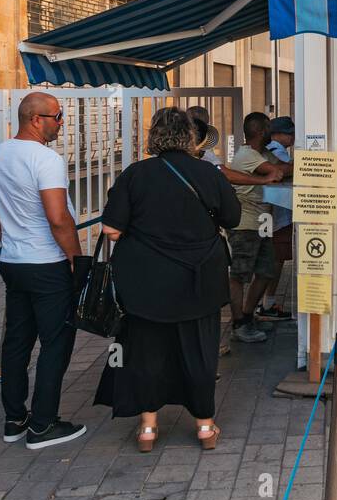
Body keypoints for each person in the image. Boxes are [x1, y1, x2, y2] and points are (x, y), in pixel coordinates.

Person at [93, 107, 241, 452]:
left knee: (147, 353)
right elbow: (231, 218)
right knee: (201, 352)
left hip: (147, 286)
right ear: (191, 137)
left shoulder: (135, 175)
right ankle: (205, 427)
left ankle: (147, 428)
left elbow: (111, 230)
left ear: (153, 136)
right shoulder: (208, 173)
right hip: (199, 280)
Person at [0, 91, 86, 451]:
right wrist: (76, 258)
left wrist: (9, 238)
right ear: (36, 119)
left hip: (13, 262)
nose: (61, 123)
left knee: (17, 341)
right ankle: (43, 425)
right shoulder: (45, 159)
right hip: (47, 264)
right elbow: (58, 218)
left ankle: (15, 419)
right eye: (57, 117)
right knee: (56, 341)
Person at [227, 112, 285, 342]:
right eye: (269, 127)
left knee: (265, 270)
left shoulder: (260, 154)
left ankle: (248, 315)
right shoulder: (248, 156)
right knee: (240, 274)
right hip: (244, 224)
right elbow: (277, 171)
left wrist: (280, 168)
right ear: (261, 131)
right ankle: (239, 322)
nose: (272, 131)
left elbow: (282, 168)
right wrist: (277, 169)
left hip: (260, 223)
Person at [257, 115, 296, 321]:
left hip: (272, 212)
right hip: (277, 212)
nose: (293, 137)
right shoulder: (276, 152)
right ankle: (267, 303)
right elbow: (282, 172)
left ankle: (264, 302)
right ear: (277, 134)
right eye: (289, 133)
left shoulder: (270, 151)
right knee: (275, 259)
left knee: (273, 258)